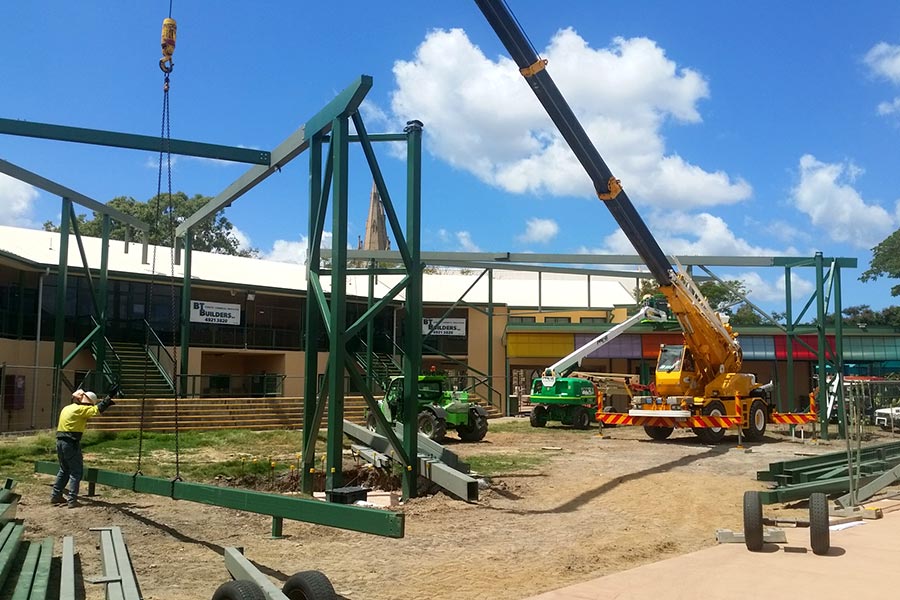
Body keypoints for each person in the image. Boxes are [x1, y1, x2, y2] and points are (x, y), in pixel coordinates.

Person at [51, 387, 116, 508]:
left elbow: (94, 409)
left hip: (59, 441)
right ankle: (72, 500)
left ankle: (56, 495)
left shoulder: (67, 408)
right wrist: (108, 398)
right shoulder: (80, 410)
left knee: (64, 469)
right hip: (71, 442)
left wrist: (106, 404)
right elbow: (97, 410)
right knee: (76, 471)